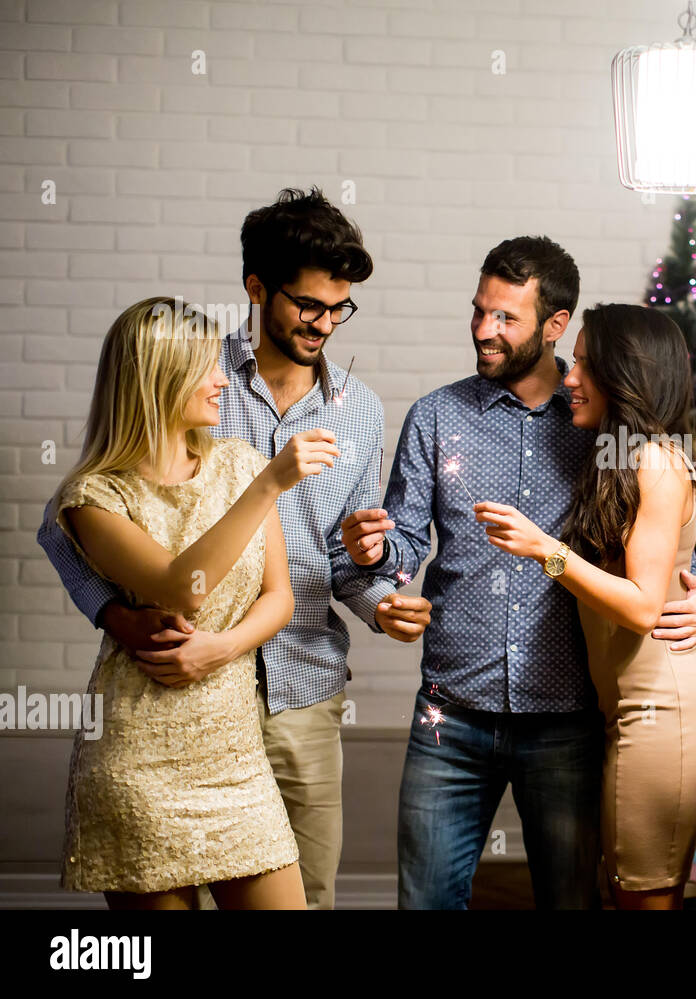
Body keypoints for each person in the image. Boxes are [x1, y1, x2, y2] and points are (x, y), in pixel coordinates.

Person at [36, 187, 432, 909]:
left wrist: (380, 593)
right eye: (309, 304)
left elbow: (344, 562)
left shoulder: (362, 410)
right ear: (256, 288)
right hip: (164, 701)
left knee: (305, 895)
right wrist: (114, 615)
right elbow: (69, 521)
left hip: (299, 686)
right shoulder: (189, 372)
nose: (324, 324)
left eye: (338, 308)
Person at [341, 236, 696, 909]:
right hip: (448, 716)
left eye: (506, 318)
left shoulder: (600, 426)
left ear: (555, 325)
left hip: (568, 720)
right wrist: (374, 565)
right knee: (423, 904)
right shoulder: (436, 417)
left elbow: (662, 543)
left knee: (571, 902)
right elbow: (400, 544)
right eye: (479, 311)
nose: (485, 331)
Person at [48, 297, 342, 909]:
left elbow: (278, 596)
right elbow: (185, 586)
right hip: (138, 763)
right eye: (205, 366)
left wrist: (222, 648)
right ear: (157, 378)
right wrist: (270, 487)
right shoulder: (92, 496)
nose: (221, 380)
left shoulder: (238, 463)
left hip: (236, 759)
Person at [475, 303, 696, 910]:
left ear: (626, 375)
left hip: (662, 714)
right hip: (628, 712)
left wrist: (545, 550)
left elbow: (643, 607)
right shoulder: (619, 456)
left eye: (585, 365)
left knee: (643, 896)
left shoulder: (657, 461)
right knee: (624, 892)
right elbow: (673, 575)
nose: (568, 377)